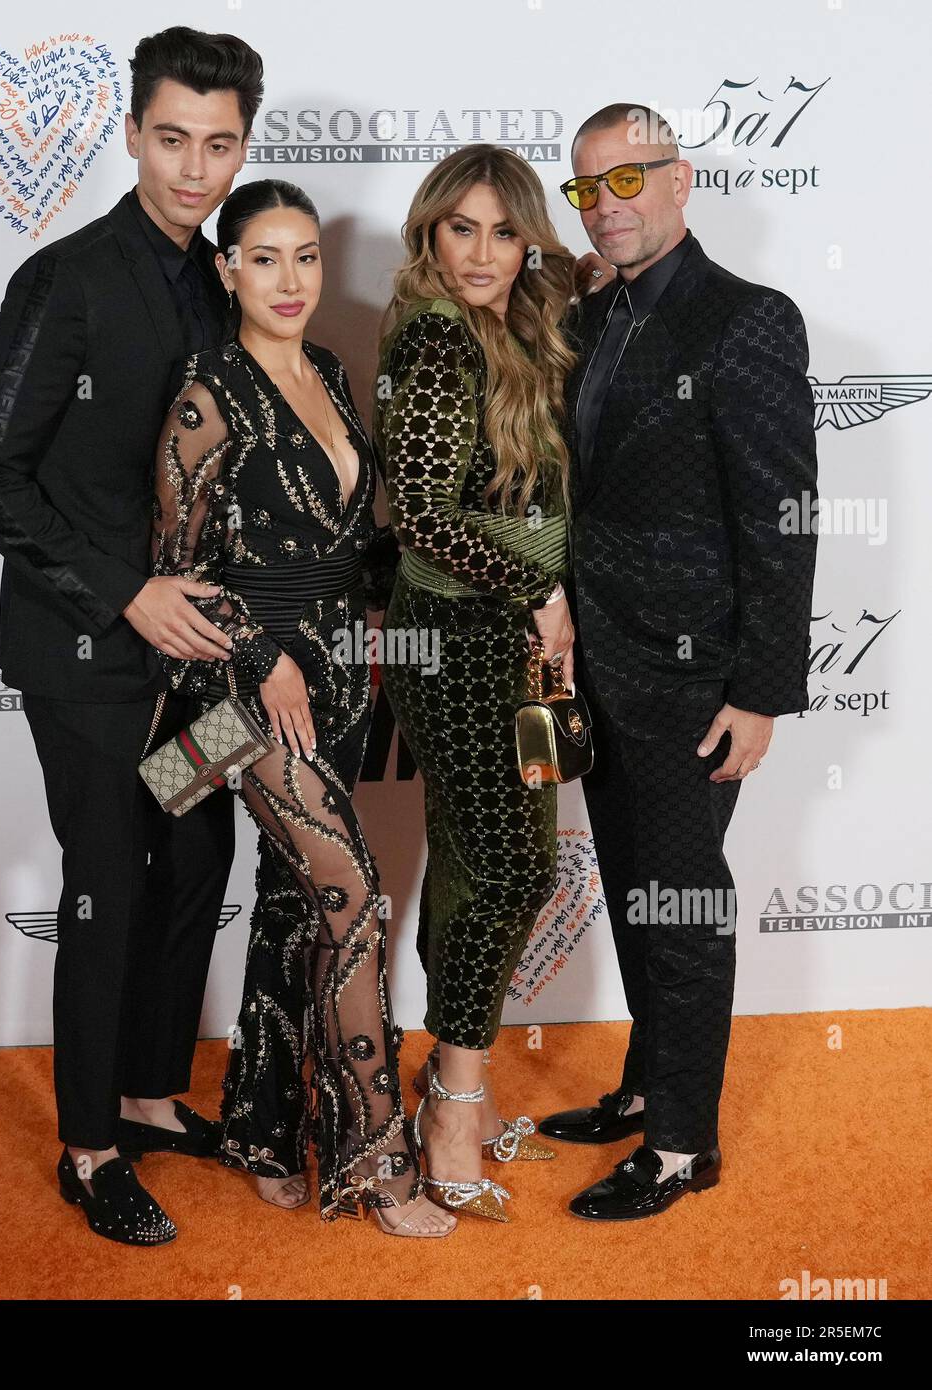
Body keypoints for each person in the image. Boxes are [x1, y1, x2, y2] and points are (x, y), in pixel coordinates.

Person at [0, 27, 266, 1246]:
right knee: (108, 886)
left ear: (242, 145)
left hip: (202, 666)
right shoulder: (64, 280)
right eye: (172, 138)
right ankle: (88, 1149)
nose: (194, 168)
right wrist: (120, 592)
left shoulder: (220, 273)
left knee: (191, 871)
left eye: (219, 143)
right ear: (131, 132)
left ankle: (145, 1093)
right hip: (89, 657)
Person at [150, 178, 456, 1238]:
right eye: (265, 257)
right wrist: (261, 652)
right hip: (238, 696)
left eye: (307, 257)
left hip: (332, 679)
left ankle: (265, 1131)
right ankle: (380, 1159)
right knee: (353, 901)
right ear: (226, 266)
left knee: (293, 909)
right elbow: (176, 572)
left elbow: (340, 540)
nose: (290, 280)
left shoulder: (326, 369)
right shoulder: (205, 392)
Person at [539, 103, 818, 1220]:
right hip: (598, 666)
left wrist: (758, 690)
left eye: (626, 181)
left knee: (683, 910)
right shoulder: (589, 314)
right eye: (584, 189)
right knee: (631, 892)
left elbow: (781, 516)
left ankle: (679, 1147)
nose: (604, 207)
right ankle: (649, 1087)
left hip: (693, 680)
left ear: (679, 180)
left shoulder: (743, 321)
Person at [376, 145, 591, 1222]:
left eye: (503, 231)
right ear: (429, 233)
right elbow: (417, 515)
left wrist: (577, 271)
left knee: (491, 866)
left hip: (515, 644)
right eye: (460, 228)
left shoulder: (516, 323)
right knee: (505, 867)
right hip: (459, 637)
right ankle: (452, 1103)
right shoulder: (429, 340)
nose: (481, 252)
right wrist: (539, 595)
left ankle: (445, 1079)